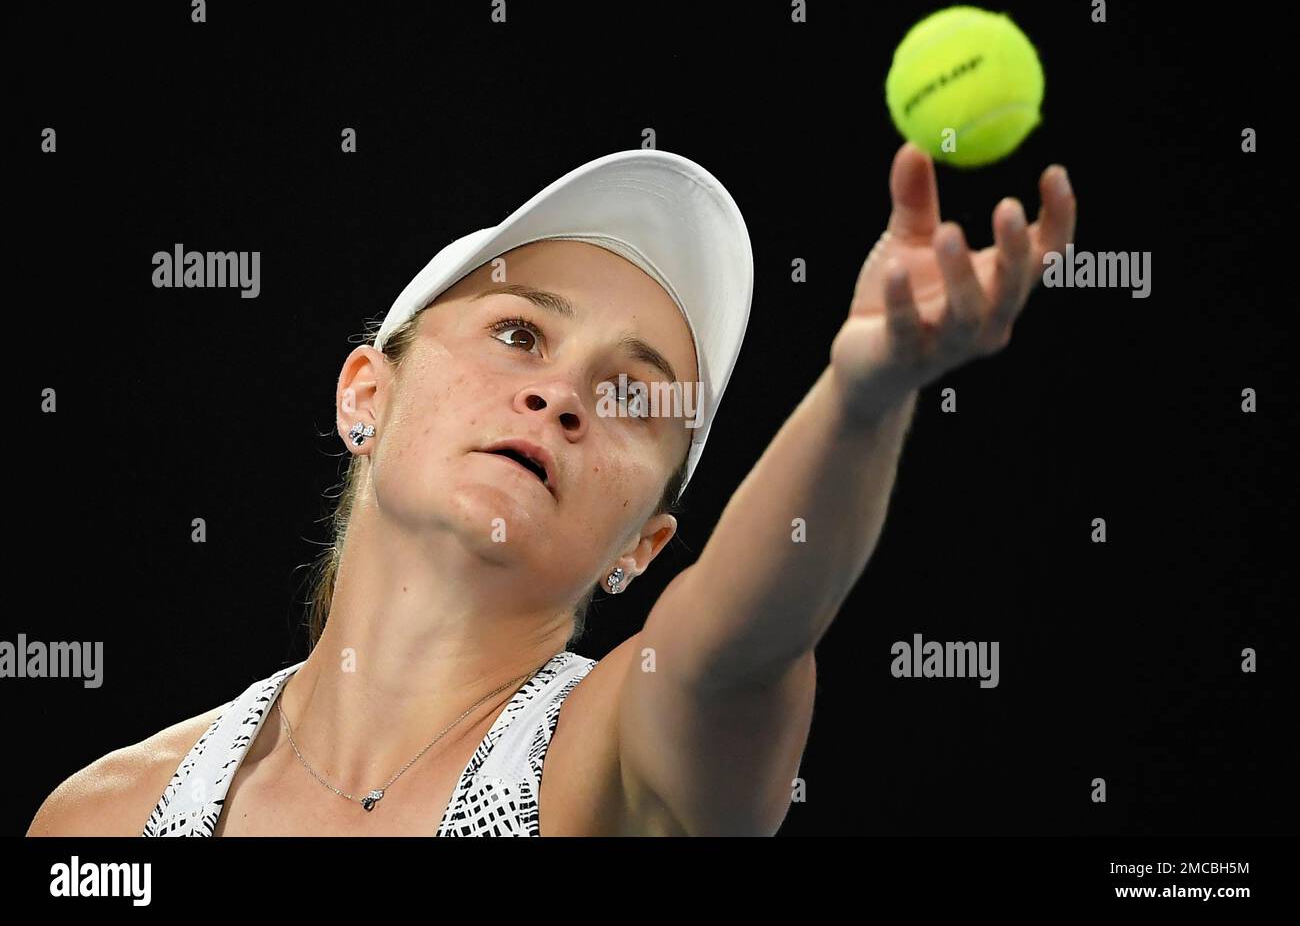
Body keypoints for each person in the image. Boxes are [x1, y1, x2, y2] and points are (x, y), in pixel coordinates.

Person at [27, 142, 1075, 836]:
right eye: (519, 332)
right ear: (366, 395)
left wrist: (863, 395)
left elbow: (741, 648)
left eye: (632, 394)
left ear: (643, 547)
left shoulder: (609, 759)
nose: (563, 394)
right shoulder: (97, 820)